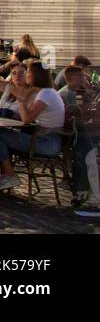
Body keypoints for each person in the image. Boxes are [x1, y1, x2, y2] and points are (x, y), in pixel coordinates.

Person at [0, 62, 66, 191]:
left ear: (35, 75)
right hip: (47, 138)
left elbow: (26, 119)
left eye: (28, 73)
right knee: (2, 134)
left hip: (46, 142)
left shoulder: (45, 94)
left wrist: (20, 98)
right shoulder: (47, 92)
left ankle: (9, 174)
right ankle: (4, 174)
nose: (26, 75)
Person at [59, 65, 100, 214]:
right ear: (71, 78)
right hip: (70, 135)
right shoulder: (68, 94)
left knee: (89, 146)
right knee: (87, 151)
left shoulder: (76, 92)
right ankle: (86, 194)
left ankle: (85, 192)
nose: (85, 79)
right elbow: (77, 119)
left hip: (75, 133)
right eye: (81, 76)